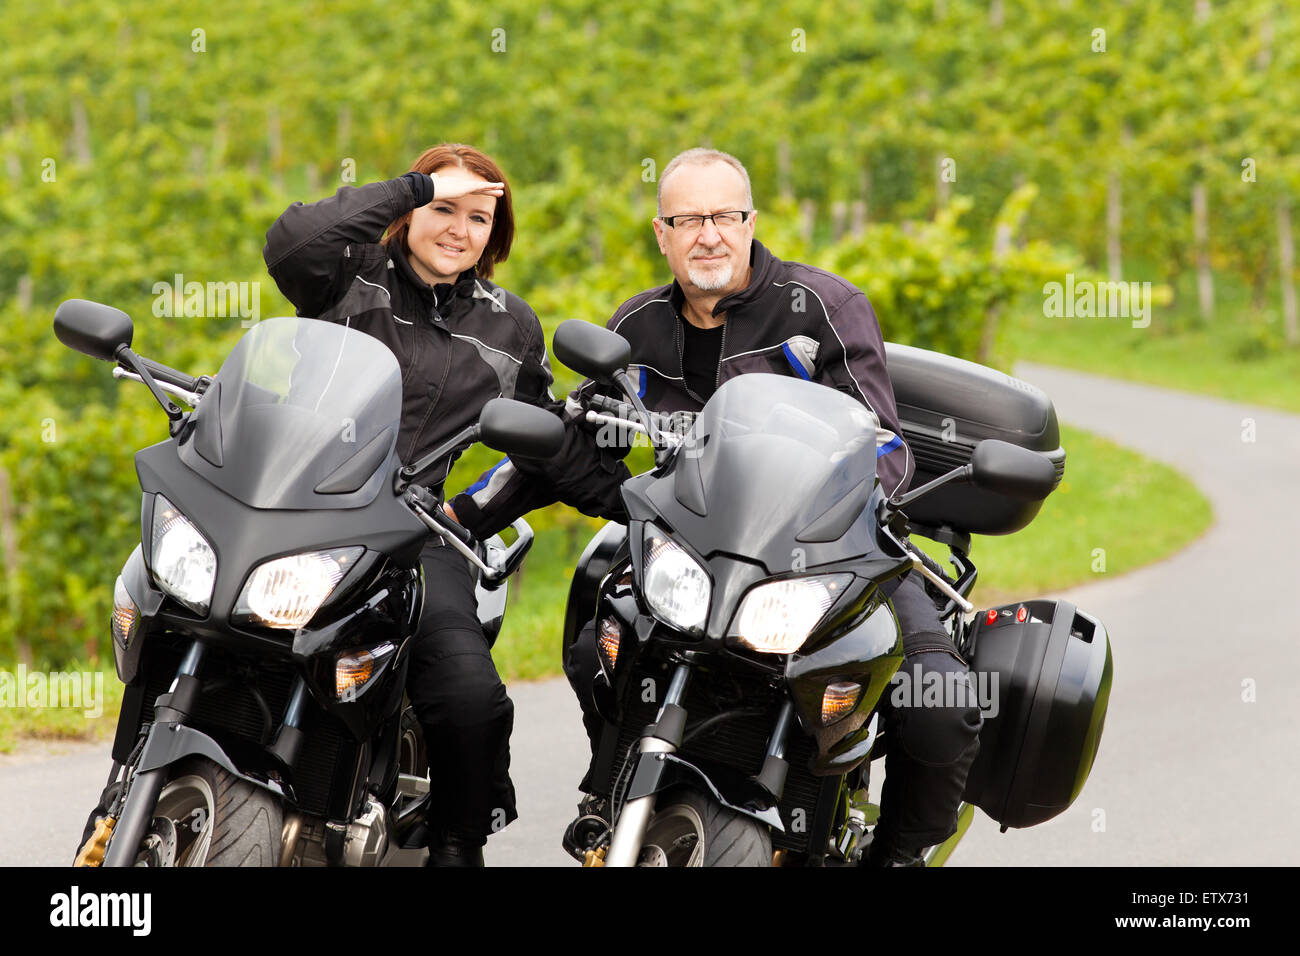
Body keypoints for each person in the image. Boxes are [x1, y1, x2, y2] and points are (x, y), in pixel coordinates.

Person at [447, 147, 983, 867]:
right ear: (662, 233)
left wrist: (867, 507)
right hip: (695, 557)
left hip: (830, 552)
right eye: (688, 219)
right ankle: (610, 793)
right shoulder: (637, 325)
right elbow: (580, 437)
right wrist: (460, 519)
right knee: (596, 640)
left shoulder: (823, 308)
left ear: (750, 221)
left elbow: (883, 442)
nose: (709, 234)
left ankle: (898, 856)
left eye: (725, 216)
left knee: (938, 703)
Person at [262, 143, 565, 865]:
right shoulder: (346, 272)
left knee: (470, 699)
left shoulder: (510, 326)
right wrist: (412, 184)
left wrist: (472, 515)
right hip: (295, 505)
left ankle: (457, 846)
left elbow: (545, 445)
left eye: (480, 217)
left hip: (412, 528)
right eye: (442, 208)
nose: (459, 228)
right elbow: (290, 241)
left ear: (498, 234)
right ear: (406, 213)